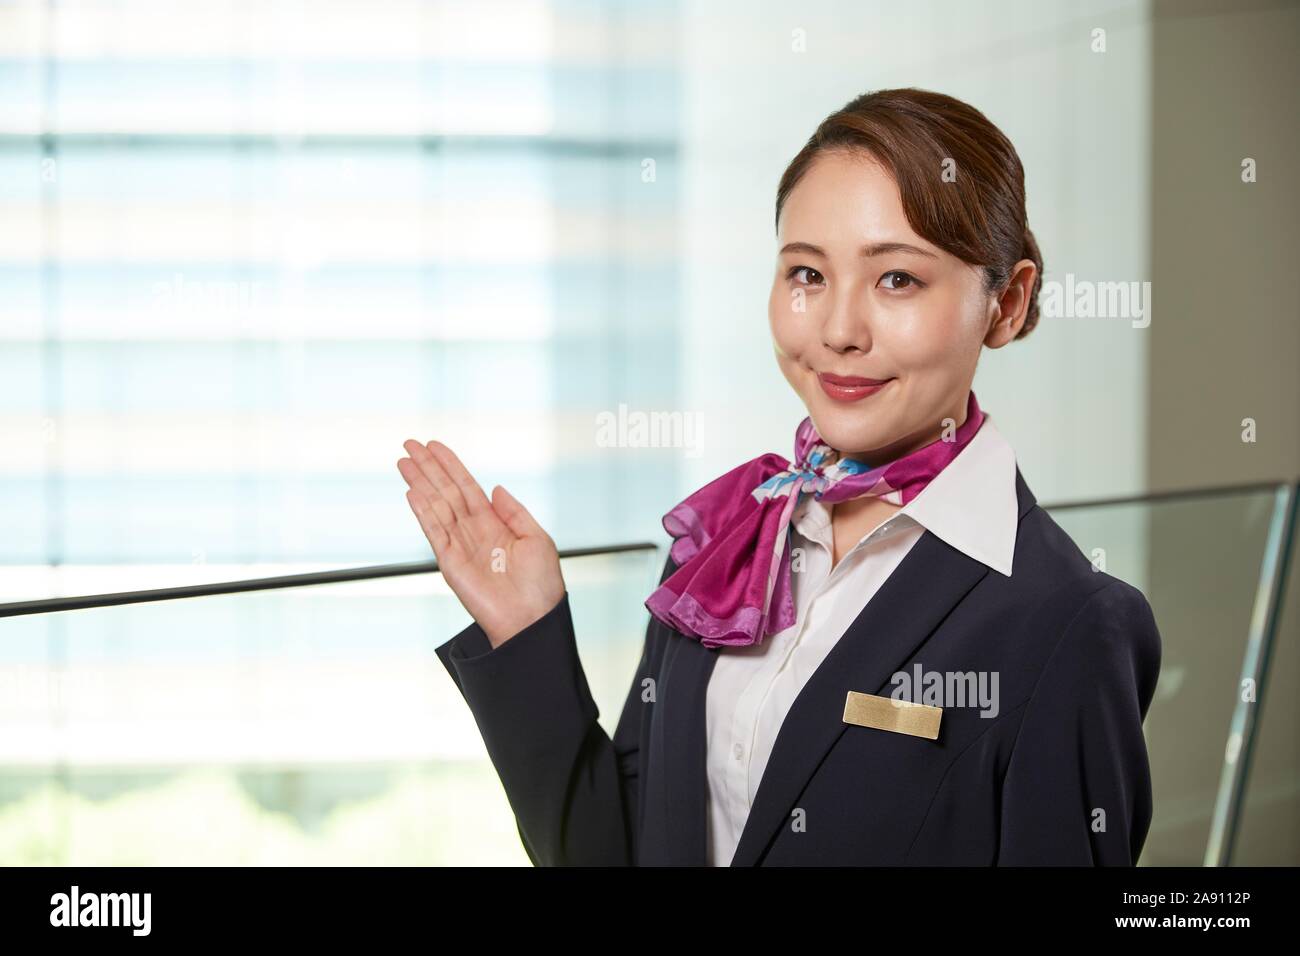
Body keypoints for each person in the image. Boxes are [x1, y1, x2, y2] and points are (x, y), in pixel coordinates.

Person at [395, 88, 1162, 866]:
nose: (837, 331)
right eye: (807, 274)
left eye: (897, 279)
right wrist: (526, 628)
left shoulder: (1070, 625)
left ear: (1007, 303)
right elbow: (625, 846)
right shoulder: (729, 537)